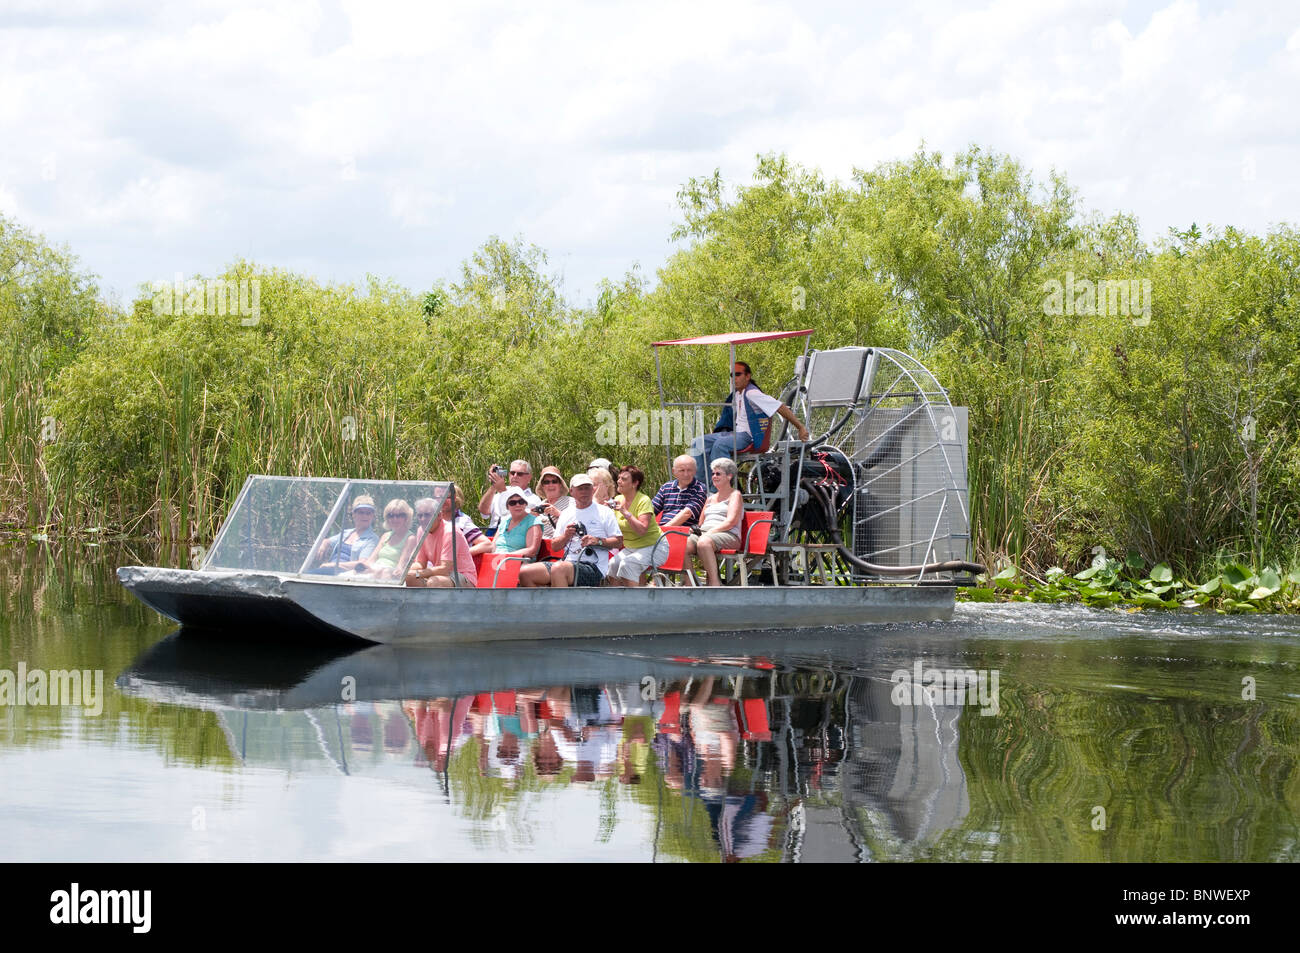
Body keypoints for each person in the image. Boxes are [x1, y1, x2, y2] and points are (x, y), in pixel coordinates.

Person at [689, 361, 810, 473]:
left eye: (738, 374)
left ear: (747, 376)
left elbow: (781, 407)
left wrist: (800, 427)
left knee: (720, 445)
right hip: (734, 434)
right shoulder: (736, 394)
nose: (734, 378)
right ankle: (700, 487)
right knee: (697, 443)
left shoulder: (752, 393)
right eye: (732, 375)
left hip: (747, 436)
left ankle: (718, 489)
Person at [518, 474, 621, 588]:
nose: (584, 492)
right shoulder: (566, 513)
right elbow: (555, 546)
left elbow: (618, 541)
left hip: (594, 567)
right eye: (580, 488)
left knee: (559, 569)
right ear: (572, 491)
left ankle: (561, 606)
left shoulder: (605, 512)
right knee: (525, 572)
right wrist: (566, 536)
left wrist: (598, 541)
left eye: (587, 488)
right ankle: (541, 605)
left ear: (592, 490)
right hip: (568, 562)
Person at [686, 457, 744, 587]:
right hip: (706, 534)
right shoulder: (710, 498)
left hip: (728, 534)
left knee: (704, 542)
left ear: (729, 476)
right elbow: (701, 523)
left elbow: (731, 521)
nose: (714, 476)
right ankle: (690, 583)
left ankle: (714, 583)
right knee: (683, 544)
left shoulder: (735, 495)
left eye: (718, 473)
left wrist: (710, 532)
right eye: (713, 474)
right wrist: (695, 529)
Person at [608, 465, 664, 587]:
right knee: (613, 564)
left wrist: (625, 512)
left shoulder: (644, 500)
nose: (618, 481)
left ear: (634, 483)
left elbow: (642, 530)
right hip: (632, 548)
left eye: (623, 479)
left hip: (654, 547)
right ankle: (616, 603)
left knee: (628, 564)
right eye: (619, 478)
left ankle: (637, 603)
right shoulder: (618, 499)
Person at [407, 494, 477, 587]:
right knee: (409, 578)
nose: (423, 519)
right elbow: (420, 563)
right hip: (441, 575)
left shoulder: (450, 532)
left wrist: (417, 573)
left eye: (427, 515)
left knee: (434, 582)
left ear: (439, 515)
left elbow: (445, 569)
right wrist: (407, 572)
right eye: (420, 515)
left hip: (462, 577)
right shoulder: (421, 530)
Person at [351, 499, 420, 579]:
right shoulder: (385, 536)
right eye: (391, 515)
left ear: (406, 518)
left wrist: (379, 571)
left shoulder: (410, 538)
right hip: (375, 570)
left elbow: (400, 567)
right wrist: (361, 568)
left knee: (385, 572)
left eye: (399, 515)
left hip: (391, 574)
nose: (395, 519)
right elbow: (371, 560)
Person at [312, 494, 380, 573]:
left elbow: (362, 564)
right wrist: (324, 543)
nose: (365, 516)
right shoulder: (346, 533)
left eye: (368, 513)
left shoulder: (372, 539)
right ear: (353, 514)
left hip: (345, 574)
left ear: (372, 516)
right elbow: (329, 541)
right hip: (329, 570)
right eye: (361, 513)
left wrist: (332, 565)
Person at [478, 460, 538, 535]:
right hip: (492, 533)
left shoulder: (533, 499)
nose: (515, 476)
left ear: (529, 477)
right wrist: (493, 486)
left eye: (519, 474)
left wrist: (503, 491)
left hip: (513, 536)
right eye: (512, 473)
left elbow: (517, 515)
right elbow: (484, 511)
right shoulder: (498, 493)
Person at [652, 455, 709, 528]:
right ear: (674, 471)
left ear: (695, 471)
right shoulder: (666, 487)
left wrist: (664, 530)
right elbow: (652, 509)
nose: (686, 474)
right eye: (682, 470)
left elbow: (687, 513)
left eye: (689, 470)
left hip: (683, 532)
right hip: (663, 529)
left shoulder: (700, 488)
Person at [493, 488, 542, 560]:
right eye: (513, 503)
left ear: (525, 504)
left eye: (521, 502)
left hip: (519, 561)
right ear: (507, 506)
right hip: (496, 560)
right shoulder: (504, 521)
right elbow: (493, 546)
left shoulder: (533, 521)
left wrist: (506, 556)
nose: (518, 505)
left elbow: (532, 551)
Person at [532, 466, 573, 544]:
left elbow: (578, 522)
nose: (551, 485)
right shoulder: (539, 505)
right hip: (540, 546)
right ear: (542, 486)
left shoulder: (571, 502)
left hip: (562, 546)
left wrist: (558, 514)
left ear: (560, 484)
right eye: (546, 482)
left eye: (554, 481)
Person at [451, 486, 493, 556]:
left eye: (445, 497)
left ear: (456, 499)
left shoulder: (462, 521)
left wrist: (458, 556)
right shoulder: (433, 519)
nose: (438, 499)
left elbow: (487, 545)